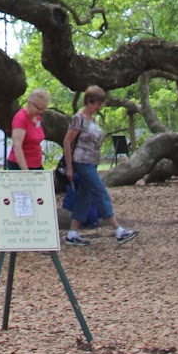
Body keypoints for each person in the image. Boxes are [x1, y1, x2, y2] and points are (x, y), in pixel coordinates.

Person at [61, 85, 138, 245]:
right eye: (97, 103)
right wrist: (69, 167)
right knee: (100, 192)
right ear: (89, 102)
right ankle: (118, 230)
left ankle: (72, 233)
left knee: (84, 196)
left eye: (101, 103)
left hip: (92, 161)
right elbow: (67, 142)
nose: (99, 107)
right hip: (82, 162)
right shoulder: (78, 118)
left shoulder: (93, 119)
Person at [8, 87, 50, 171]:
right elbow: (17, 146)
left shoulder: (37, 118)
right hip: (21, 166)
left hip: (36, 164)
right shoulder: (21, 119)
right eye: (39, 108)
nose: (41, 112)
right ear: (30, 103)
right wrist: (25, 170)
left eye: (43, 109)